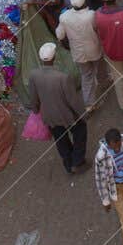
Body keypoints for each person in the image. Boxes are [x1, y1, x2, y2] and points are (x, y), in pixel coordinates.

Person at [29, 42, 88, 175]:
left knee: (61, 140)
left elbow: (33, 97)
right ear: (54, 57)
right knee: (80, 132)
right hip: (67, 115)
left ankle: (68, 165)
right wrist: (82, 114)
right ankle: (77, 161)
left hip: (49, 117)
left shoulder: (34, 75)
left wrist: (36, 110)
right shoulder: (63, 78)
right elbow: (73, 101)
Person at [57, 0, 107, 109]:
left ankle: (89, 104)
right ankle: (104, 81)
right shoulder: (91, 15)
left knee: (86, 76)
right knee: (101, 66)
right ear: (84, 3)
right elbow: (98, 29)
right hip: (94, 49)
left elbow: (60, 35)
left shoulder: (64, 17)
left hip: (78, 53)